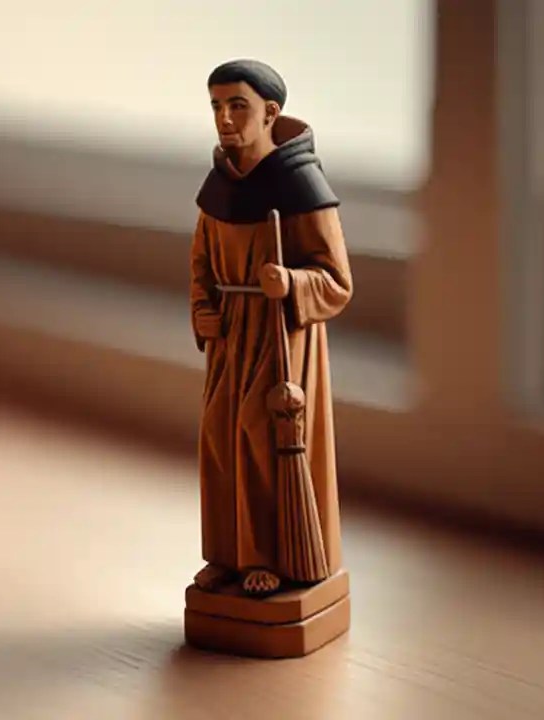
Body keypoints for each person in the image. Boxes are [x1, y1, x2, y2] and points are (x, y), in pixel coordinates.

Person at [190, 59, 353, 595]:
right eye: (217, 105)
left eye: (238, 104)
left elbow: (336, 280)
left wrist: (292, 283)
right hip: (232, 336)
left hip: (280, 334)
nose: (225, 117)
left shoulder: (300, 183)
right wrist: (203, 309)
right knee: (219, 435)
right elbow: (201, 265)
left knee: (260, 437)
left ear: (269, 112)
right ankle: (228, 554)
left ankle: (270, 557)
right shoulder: (218, 185)